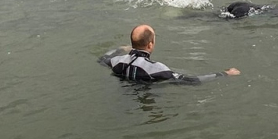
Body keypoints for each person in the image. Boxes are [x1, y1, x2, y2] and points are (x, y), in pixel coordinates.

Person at [99, 24, 240, 83]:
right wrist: (225, 73)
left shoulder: (116, 61)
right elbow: (192, 81)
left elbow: (103, 58)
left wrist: (120, 48)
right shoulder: (158, 69)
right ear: (150, 44)